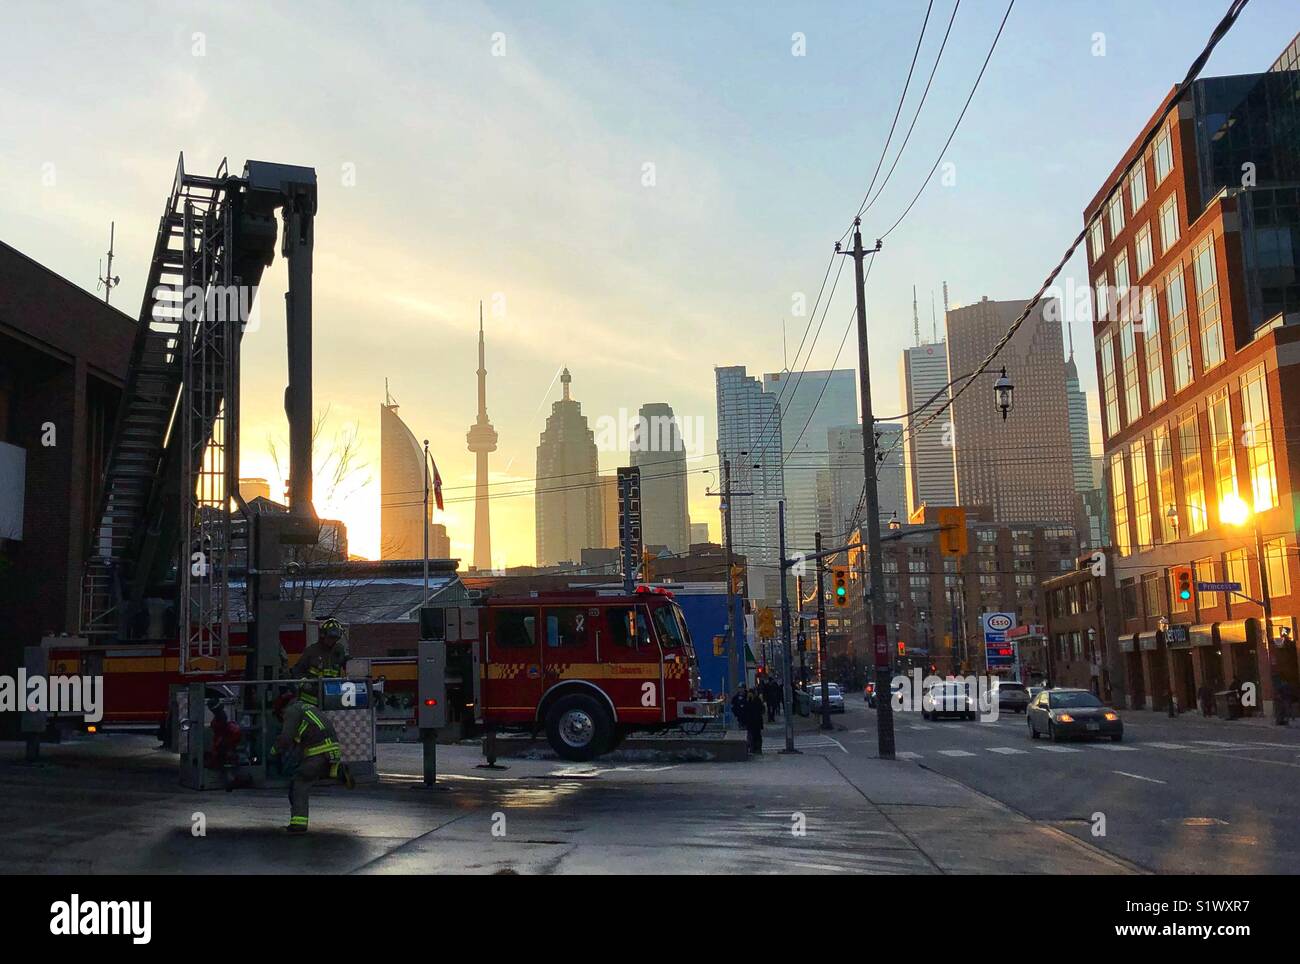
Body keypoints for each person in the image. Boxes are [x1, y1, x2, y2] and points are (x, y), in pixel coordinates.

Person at [273, 682, 354, 833]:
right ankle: (338, 771)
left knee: (300, 781)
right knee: (315, 772)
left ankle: (299, 823)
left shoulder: (291, 712)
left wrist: (274, 750)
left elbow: (286, 738)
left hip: (318, 753)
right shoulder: (307, 707)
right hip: (331, 752)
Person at [291, 617, 350, 681]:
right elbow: (297, 671)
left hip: (333, 688)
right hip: (315, 688)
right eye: (330, 637)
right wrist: (305, 682)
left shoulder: (339, 650)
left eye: (335, 638)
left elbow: (349, 666)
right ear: (323, 635)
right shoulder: (311, 651)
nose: (332, 641)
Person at [744, 685, 766, 754]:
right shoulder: (750, 701)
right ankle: (754, 748)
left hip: (755, 721)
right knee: (753, 735)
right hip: (753, 721)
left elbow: (761, 710)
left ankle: (756, 748)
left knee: (756, 735)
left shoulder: (756, 700)